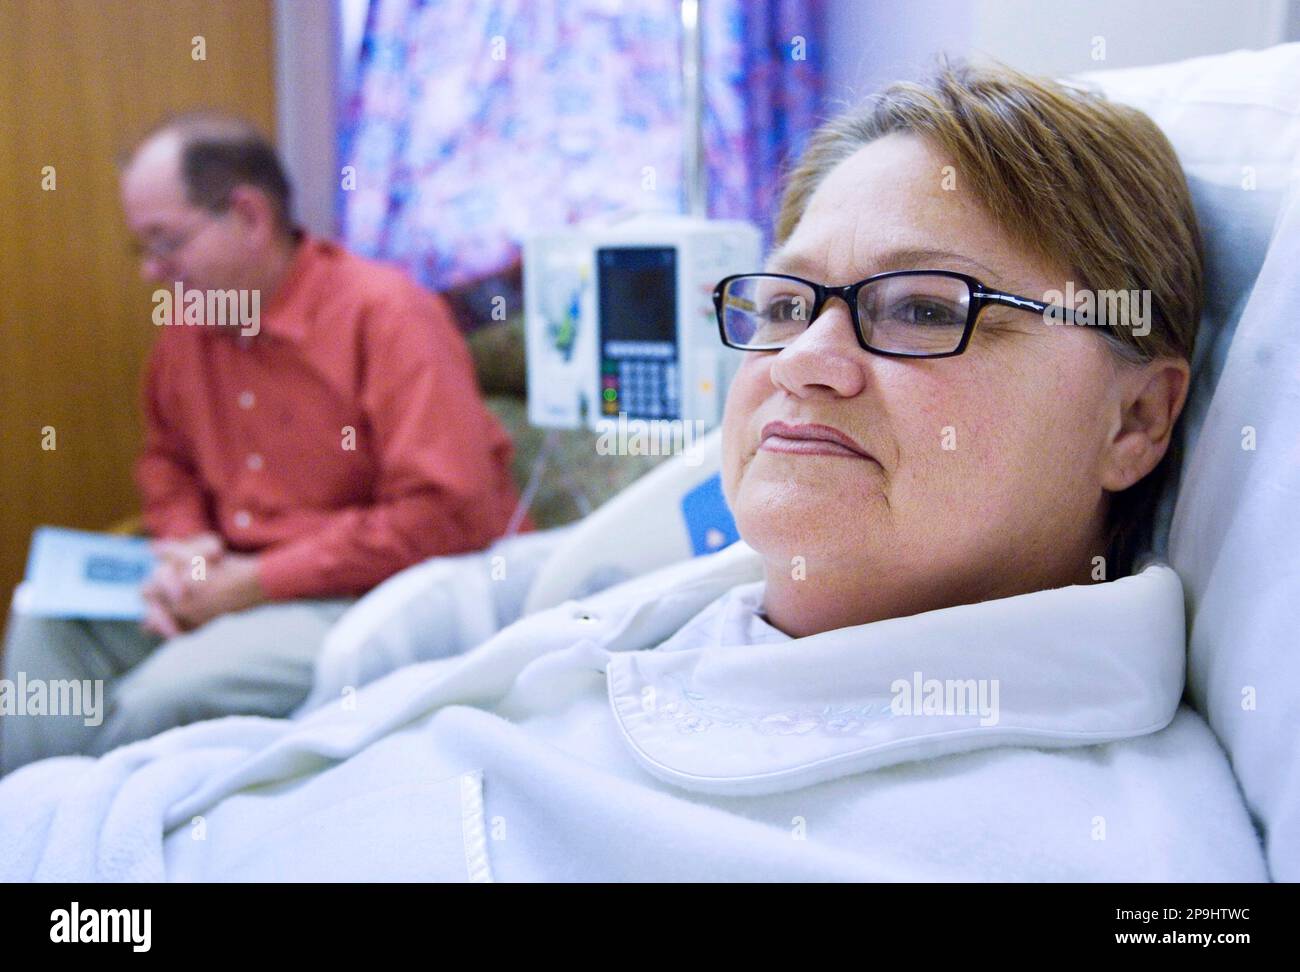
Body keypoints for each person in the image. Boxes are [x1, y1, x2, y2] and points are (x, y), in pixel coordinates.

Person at [0, 62, 1267, 881]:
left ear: (1136, 422)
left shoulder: (1101, 847)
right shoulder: (714, 566)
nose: (805, 363)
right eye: (780, 305)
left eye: (925, 309)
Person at [0, 114, 527, 775]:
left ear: (249, 216)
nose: (152, 273)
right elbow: (167, 460)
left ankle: (99, 850)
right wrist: (185, 547)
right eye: (143, 250)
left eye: (165, 244)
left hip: (375, 592)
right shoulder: (193, 324)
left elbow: (445, 516)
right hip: (231, 573)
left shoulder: (387, 316)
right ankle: (30, 840)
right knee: (44, 624)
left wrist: (257, 583)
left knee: (163, 698)